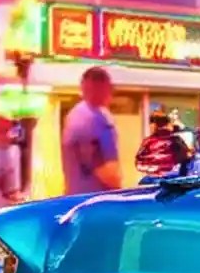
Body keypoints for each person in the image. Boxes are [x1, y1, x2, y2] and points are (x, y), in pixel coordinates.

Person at [61, 66, 121, 195]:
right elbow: (108, 173)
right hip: (97, 203)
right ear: (104, 88)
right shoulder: (94, 119)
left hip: (76, 198)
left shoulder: (74, 116)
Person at [135, 112, 191, 177]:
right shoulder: (176, 140)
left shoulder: (148, 141)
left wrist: (152, 168)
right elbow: (186, 158)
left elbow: (139, 163)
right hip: (171, 178)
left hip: (156, 178)